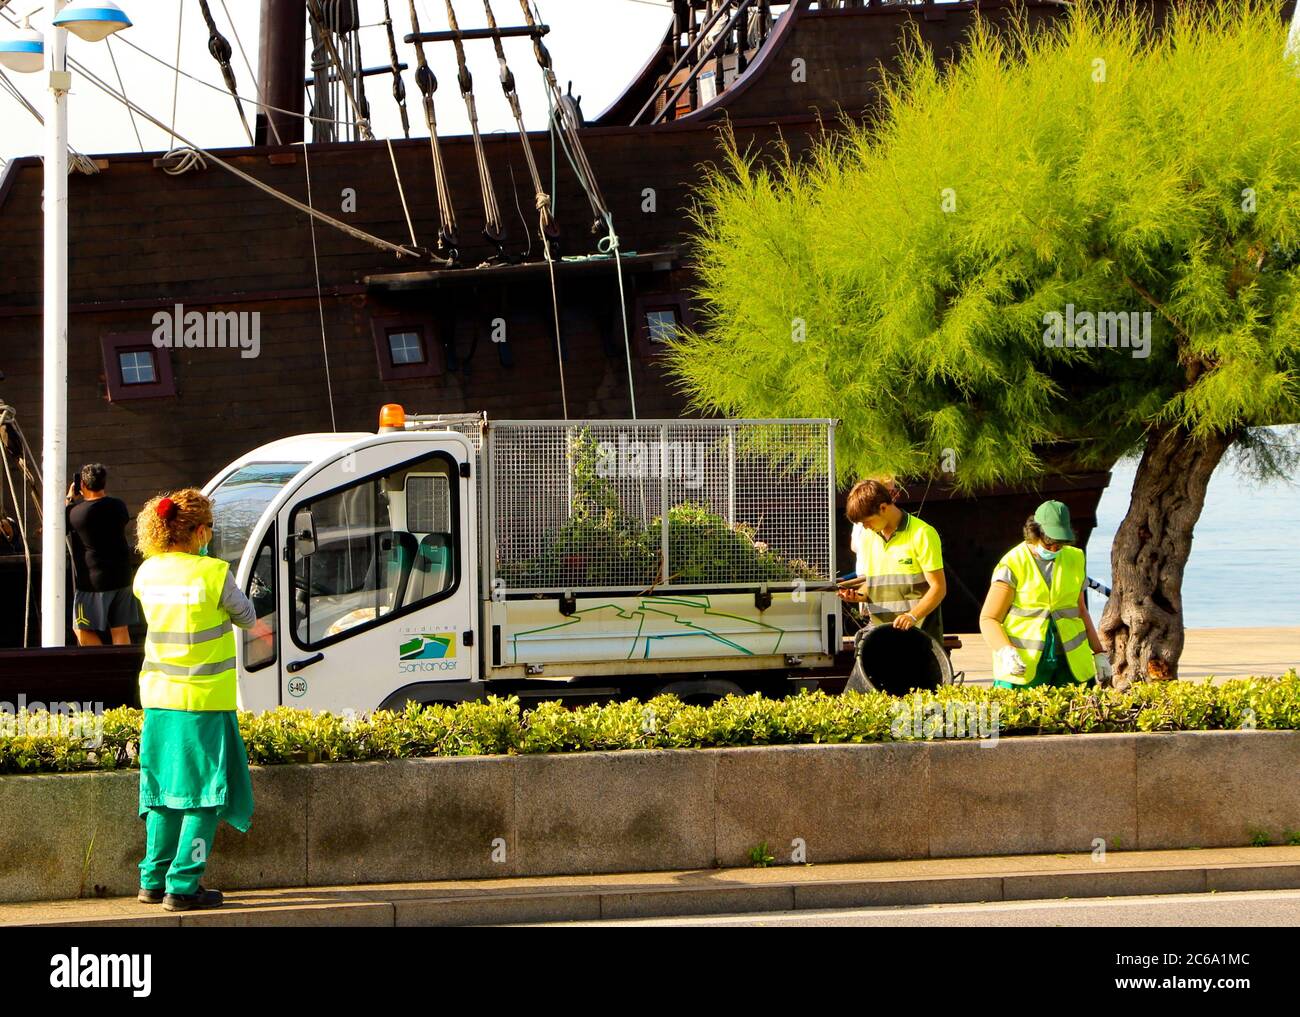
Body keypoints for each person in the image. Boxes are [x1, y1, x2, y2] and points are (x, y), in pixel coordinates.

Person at [132, 488, 259, 911]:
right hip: (203, 702)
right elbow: (247, 616)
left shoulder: (147, 573)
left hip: (158, 699)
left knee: (163, 792)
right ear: (201, 531)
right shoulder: (213, 573)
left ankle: (152, 880)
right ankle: (183, 887)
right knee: (205, 794)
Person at [979, 499, 1113, 688]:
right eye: (1049, 543)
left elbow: (1081, 611)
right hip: (1024, 662)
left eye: (1059, 544)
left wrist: (1099, 653)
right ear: (1034, 533)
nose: (1054, 549)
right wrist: (1005, 651)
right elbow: (988, 619)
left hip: (1070, 663)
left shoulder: (1075, 558)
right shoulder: (1012, 563)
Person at [837, 478, 947, 646]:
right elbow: (875, 586)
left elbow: (939, 588)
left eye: (867, 521)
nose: (865, 527)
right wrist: (858, 596)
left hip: (920, 637)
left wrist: (912, 615)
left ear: (883, 507)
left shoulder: (922, 533)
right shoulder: (867, 537)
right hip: (882, 637)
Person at [65, 463, 139, 645]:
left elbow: (61, 523)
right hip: (122, 576)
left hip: (93, 582)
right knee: (120, 628)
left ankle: (102, 668)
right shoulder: (119, 506)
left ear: (81, 484)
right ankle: (121, 670)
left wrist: (69, 498)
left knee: (81, 628)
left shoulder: (75, 513)